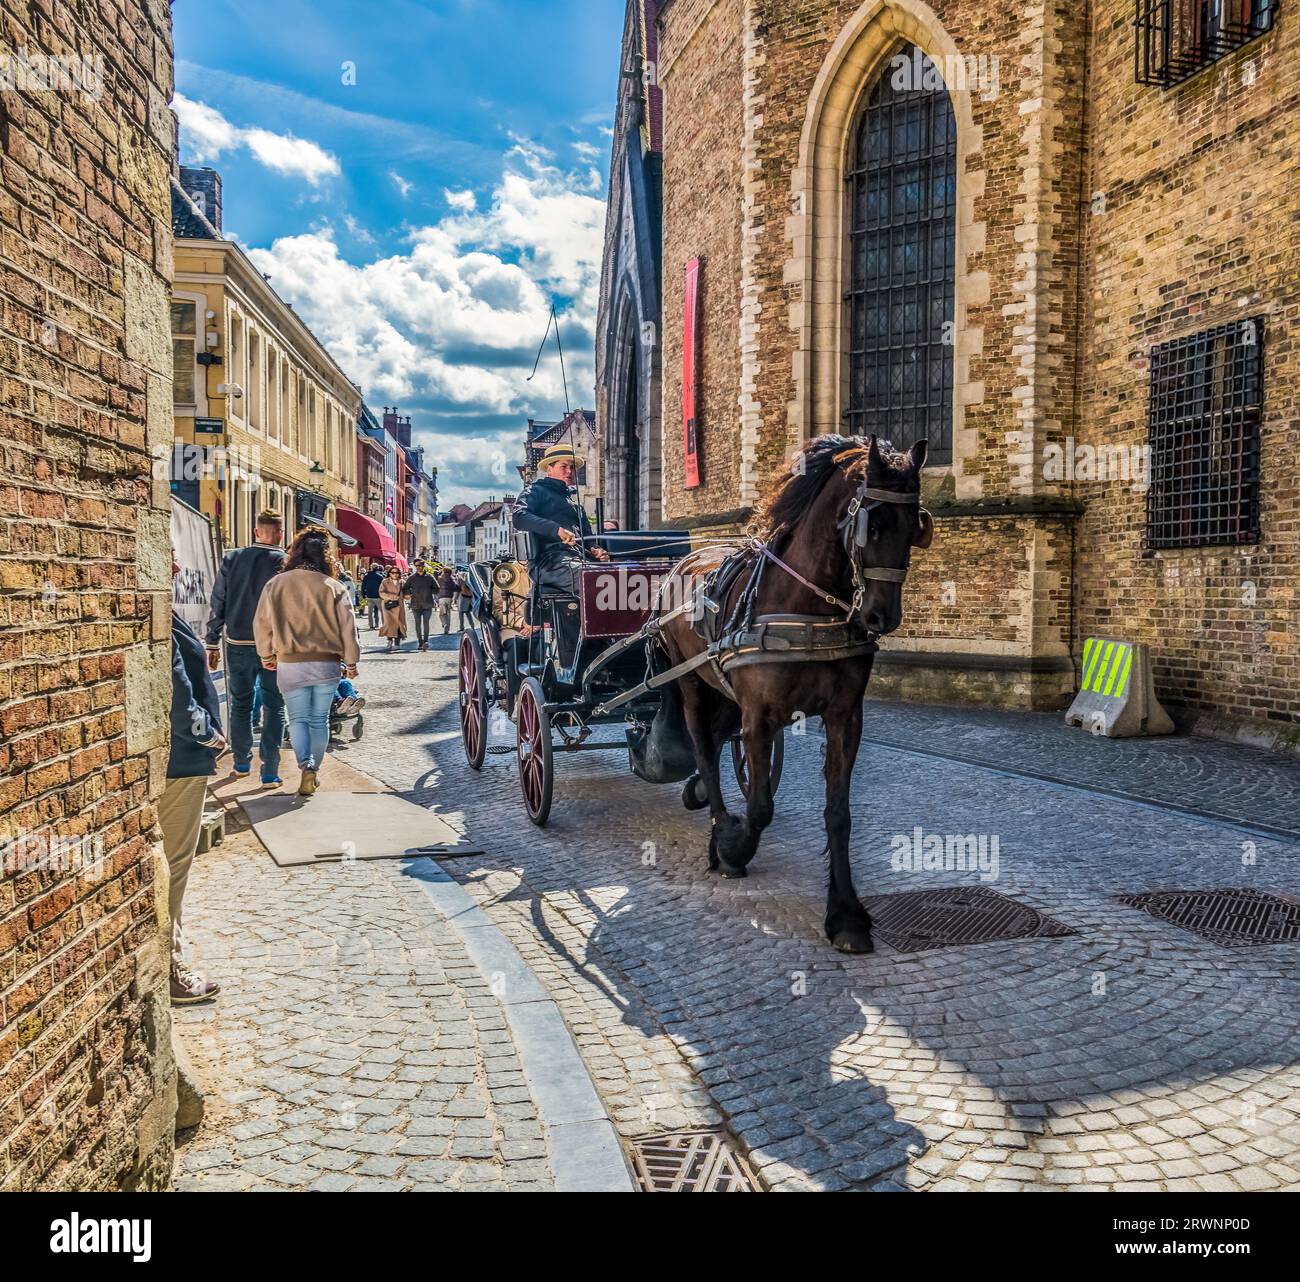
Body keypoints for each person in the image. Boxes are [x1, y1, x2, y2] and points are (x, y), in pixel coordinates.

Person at [253, 526, 360, 797]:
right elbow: (349, 627)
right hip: (326, 663)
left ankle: (306, 764)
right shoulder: (334, 587)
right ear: (325, 556)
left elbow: (262, 624)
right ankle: (315, 770)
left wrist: (266, 654)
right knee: (319, 720)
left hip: (290, 663)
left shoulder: (275, 584)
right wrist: (351, 661)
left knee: (297, 718)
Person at [166, 550, 225, 1004]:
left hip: (181, 756)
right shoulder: (155, 615)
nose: (177, 565)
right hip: (182, 760)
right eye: (169, 555)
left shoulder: (160, 610)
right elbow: (177, 693)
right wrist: (209, 736)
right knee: (174, 864)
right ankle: (172, 967)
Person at [206, 509, 286, 785]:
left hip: (237, 640)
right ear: (281, 534)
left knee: (240, 704)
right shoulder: (284, 563)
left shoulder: (232, 558)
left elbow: (219, 600)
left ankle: (241, 762)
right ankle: (270, 770)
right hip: (274, 646)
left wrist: (212, 640)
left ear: (256, 531)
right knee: (274, 705)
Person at [512, 443, 609, 595]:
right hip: (549, 562)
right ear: (549, 469)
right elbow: (519, 517)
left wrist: (595, 549)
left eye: (572, 467)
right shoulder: (535, 491)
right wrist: (555, 530)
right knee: (599, 579)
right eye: (563, 466)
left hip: (578, 560)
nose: (569, 471)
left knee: (623, 575)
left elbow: (588, 538)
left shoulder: (576, 505)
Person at [403, 560, 438, 650]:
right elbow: (405, 588)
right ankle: (420, 642)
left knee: (426, 623)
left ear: (423, 566)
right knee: (417, 624)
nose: (418, 567)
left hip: (427, 604)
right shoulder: (412, 577)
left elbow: (437, 588)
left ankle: (425, 641)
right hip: (415, 604)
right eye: (416, 566)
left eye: (420, 565)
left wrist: (429, 592)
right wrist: (409, 593)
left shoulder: (429, 577)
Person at [377, 565, 408, 651]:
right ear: (389, 573)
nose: (395, 574)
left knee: (399, 624)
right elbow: (381, 592)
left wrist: (408, 596)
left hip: (399, 605)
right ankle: (389, 641)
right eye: (393, 572)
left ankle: (397, 643)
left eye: (396, 573)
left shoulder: (402, 582)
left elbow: (406, 593)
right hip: (388, 606)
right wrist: (392, 596)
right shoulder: (385, 582)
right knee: (389, 624)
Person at [434, 563, 457, 634]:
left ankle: (444, 624)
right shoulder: (451, 579)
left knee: (442, 613)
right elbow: (456, 588)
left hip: (441, 597)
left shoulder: (440, 578)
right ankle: (448, 628)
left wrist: (439, 571)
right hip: (449, 597)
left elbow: (435, 573)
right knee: (448, 613)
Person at [360, 562, 384, 630]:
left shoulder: (366, 576)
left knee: (370, 612)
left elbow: (363, 586)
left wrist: (363, 594)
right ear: (377, 568)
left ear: (371, 568)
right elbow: (383, 587)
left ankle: (371, 625)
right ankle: (384, 624)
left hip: (369, 596)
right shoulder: (380, 577)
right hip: (377, 596)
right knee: (382, 611)